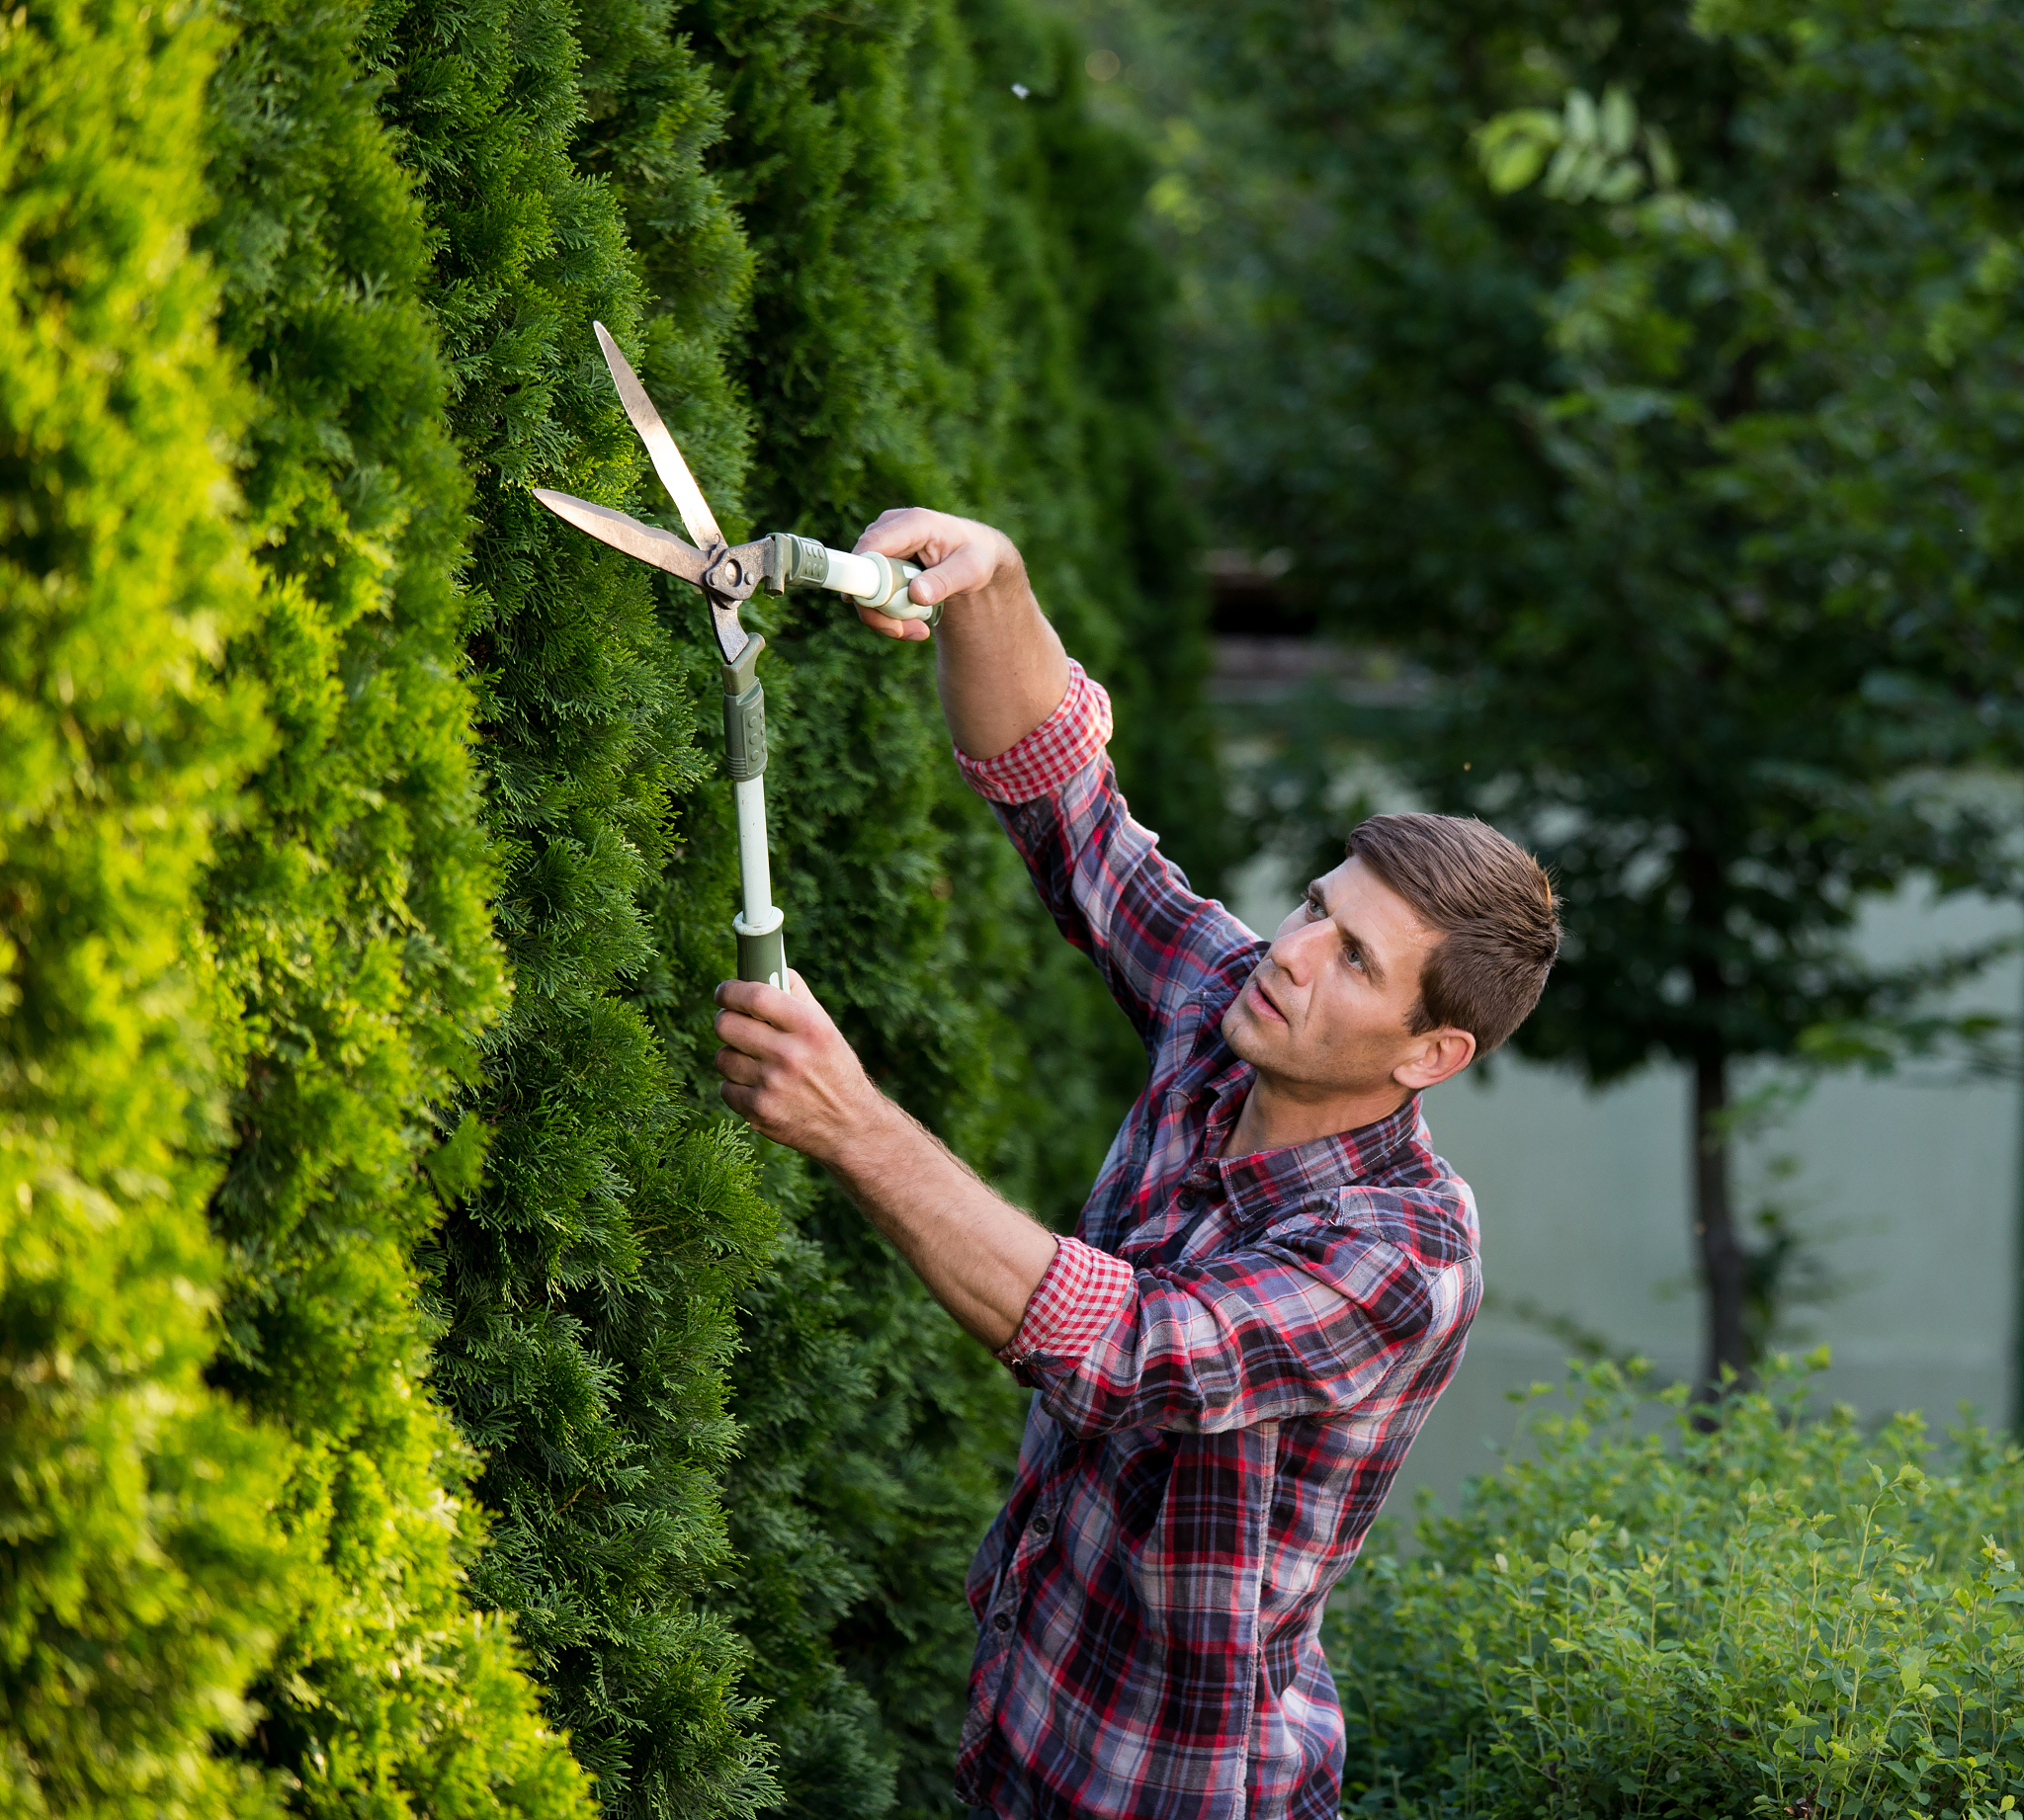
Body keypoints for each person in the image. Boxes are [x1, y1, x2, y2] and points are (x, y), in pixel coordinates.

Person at [711, 511, 1561, 1820]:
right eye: (1318, 907)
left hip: (1182, 1792)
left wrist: (853, 1122)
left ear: (1429, 1051)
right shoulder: (1235, 1020)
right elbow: (1077, 822)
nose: (1293, 950)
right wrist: (993, 581)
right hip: (1025, 1734)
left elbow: (1133, 1349)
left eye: (1354, 960)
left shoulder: (1405, 1252)